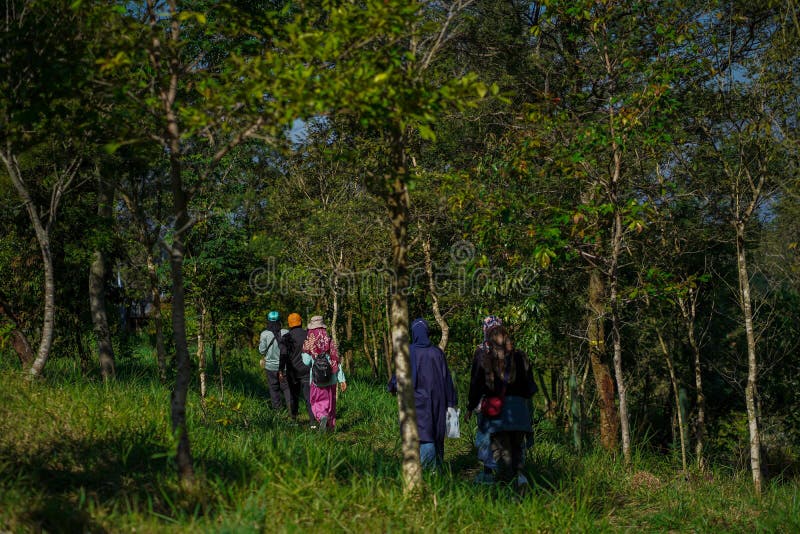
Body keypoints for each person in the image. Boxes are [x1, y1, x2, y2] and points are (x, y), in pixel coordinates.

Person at [467, 324, 536, 487]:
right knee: (517, 450)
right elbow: (530, 387)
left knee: (502, 453)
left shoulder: (487, 358)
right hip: (519, 411)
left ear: (490, 341)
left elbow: (477, 386)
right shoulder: (521, 357)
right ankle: (519, 480)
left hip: (498, 414)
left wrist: (470, 407)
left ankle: (506, 489)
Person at [410, 318, 458, 470]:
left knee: (425, 435)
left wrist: (393, 386)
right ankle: (439, 468)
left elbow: (402, 375)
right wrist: (451, 401)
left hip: (418, 401)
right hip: (439, 400)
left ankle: (430, 474)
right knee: (437, 434)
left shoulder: (410, 351)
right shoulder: (437, 352)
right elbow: (447, 378)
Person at [471, 315, 503, 482]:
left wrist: (470, 405)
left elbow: (475, 381)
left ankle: (488, 473)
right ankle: (503, 471)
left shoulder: (480, 351)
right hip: (504, 402)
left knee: (485, 435)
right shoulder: (509, 350)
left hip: (484, 403)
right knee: (499, 436)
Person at [301, 315, 347, 432]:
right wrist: (342, 380)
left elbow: (306, 361)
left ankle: (322, 417)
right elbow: (336, 361)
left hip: (317, 379)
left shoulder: (310, 342)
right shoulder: (330, 341)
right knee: (330, 404)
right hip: (331, 380)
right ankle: (330, 428)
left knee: (317, 402)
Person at [283, 312, 313, 422]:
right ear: (301, 322)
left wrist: (281, 370)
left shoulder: (286, 338)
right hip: (307, 370)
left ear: (289, 324)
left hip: (292, 372)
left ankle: (294, 419)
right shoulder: (308, 335)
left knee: (293, 396)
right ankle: (313, 422)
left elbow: (283, 355)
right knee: (308, 397)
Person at [258, 310, 291, 412]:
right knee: (286, 388)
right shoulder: (286, 332)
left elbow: (262, 350)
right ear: (279, 320)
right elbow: (290, 349)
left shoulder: (264, 334)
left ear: (268, 320)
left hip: (270, 367)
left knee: (274, 389)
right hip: (284, 367)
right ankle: (292, 410)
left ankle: (278, 412)